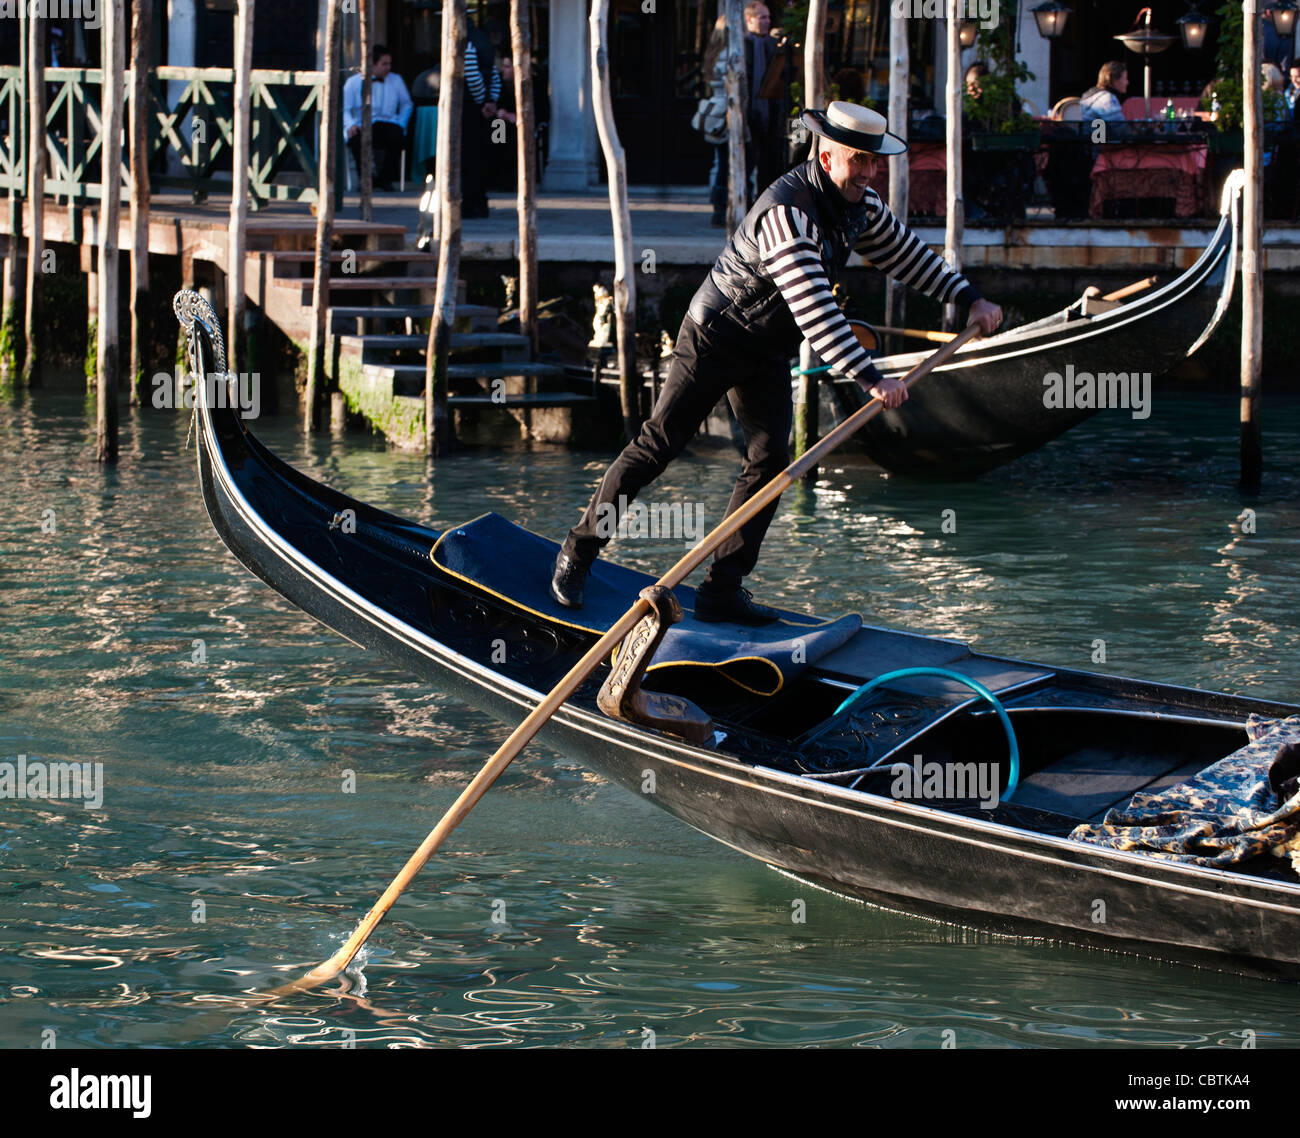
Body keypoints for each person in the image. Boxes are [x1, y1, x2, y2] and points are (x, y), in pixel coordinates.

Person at [550, 103, 1003, 624]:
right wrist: (871, 378)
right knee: (659, 445)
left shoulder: (861, 205)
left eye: (875, 162)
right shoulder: (787, 214)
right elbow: (816, 310)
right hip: (716, 335)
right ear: (827, 155)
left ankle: (722, 589)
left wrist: (969, 297)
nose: (870, 172)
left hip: (766, 348)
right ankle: (577, 553)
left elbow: (907, 256)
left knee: (770, 463)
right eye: (860, 161)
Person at [343, 44, 413, 192]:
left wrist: (401, 123)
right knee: (357, 140)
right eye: (384, 64)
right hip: (362, 123)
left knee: (397, 138)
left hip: (388, 122)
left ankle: (385, 179)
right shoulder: (353, 83)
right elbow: (345, 108)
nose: (388, 67)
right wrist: (350, 125)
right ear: (373, 64)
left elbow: (407, 104)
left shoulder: (396, 80)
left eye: (389, 64)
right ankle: (364, 180)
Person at [744, 2, 789, 196]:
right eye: (762, 17)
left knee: (769, 162)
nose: (767, 21)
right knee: (745, 162)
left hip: (771, 111)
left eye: (768, 17)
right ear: (750, 19)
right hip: (748, 111)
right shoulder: (743, 45)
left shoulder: (773, 45)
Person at [462, 25, 503, 218]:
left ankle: (471, 201)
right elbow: (494, 73)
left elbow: (471, 74)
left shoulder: (467, 42)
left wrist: (482, 101)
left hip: (470, 106)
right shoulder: (485, 41)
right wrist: (491, 100)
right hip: (486, 108)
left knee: (469, 156)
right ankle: (480, 200)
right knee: (480, 154)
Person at [1080, 61, 1128, 136]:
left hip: (1089, 143)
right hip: (1096, 145)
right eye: (1125, 78)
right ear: (1114, 80)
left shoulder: (1089, 94)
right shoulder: (1106, 98)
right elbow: (1121, 130)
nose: (1127, 82)